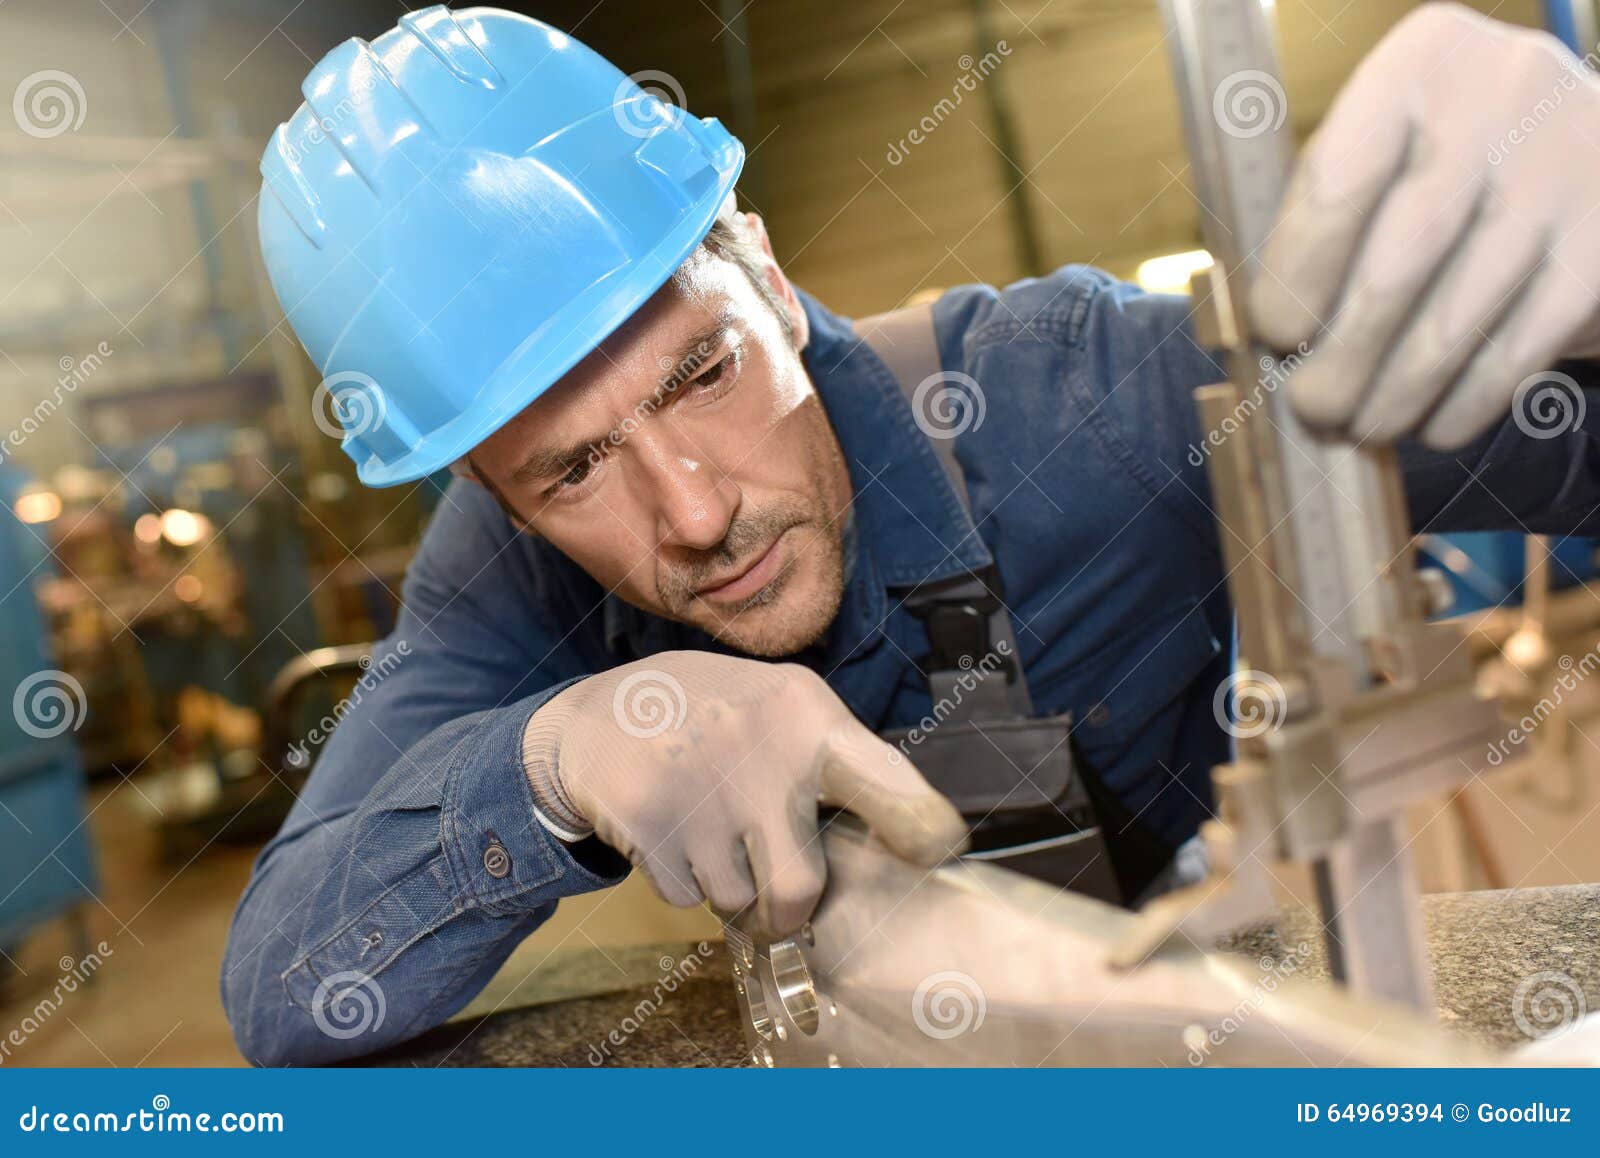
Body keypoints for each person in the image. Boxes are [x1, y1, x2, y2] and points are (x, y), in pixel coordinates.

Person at [223, 3, 1600, 1064]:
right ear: (489, 484)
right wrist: (556, 758)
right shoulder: (505, 575)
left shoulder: (1089, 407)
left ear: (762, 265)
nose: (693, 512)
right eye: (573, 469)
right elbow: (285, 982)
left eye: (703, 374)